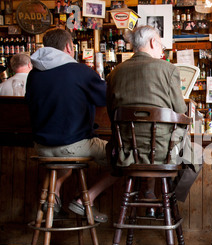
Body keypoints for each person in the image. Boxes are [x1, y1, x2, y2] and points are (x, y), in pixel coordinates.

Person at [106, 25, 201, 215]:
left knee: (141, 150)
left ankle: (149, 196)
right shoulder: (168, 69)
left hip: (127, 152)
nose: (162, 51)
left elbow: (111, 113)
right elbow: (180, 111)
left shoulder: (115, 72)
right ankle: (168, 203)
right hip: (162, 150)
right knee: (196, 157)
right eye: (162, 47)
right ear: (152, 42)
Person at [25, 28, 117, 223]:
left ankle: (54, 195)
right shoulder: (80, 71)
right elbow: (107, 97)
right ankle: (86, 199)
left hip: (41, 148)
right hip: (72, 145)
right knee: (125, 158)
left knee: (65, 157)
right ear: (68, 46)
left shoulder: (33, 75)